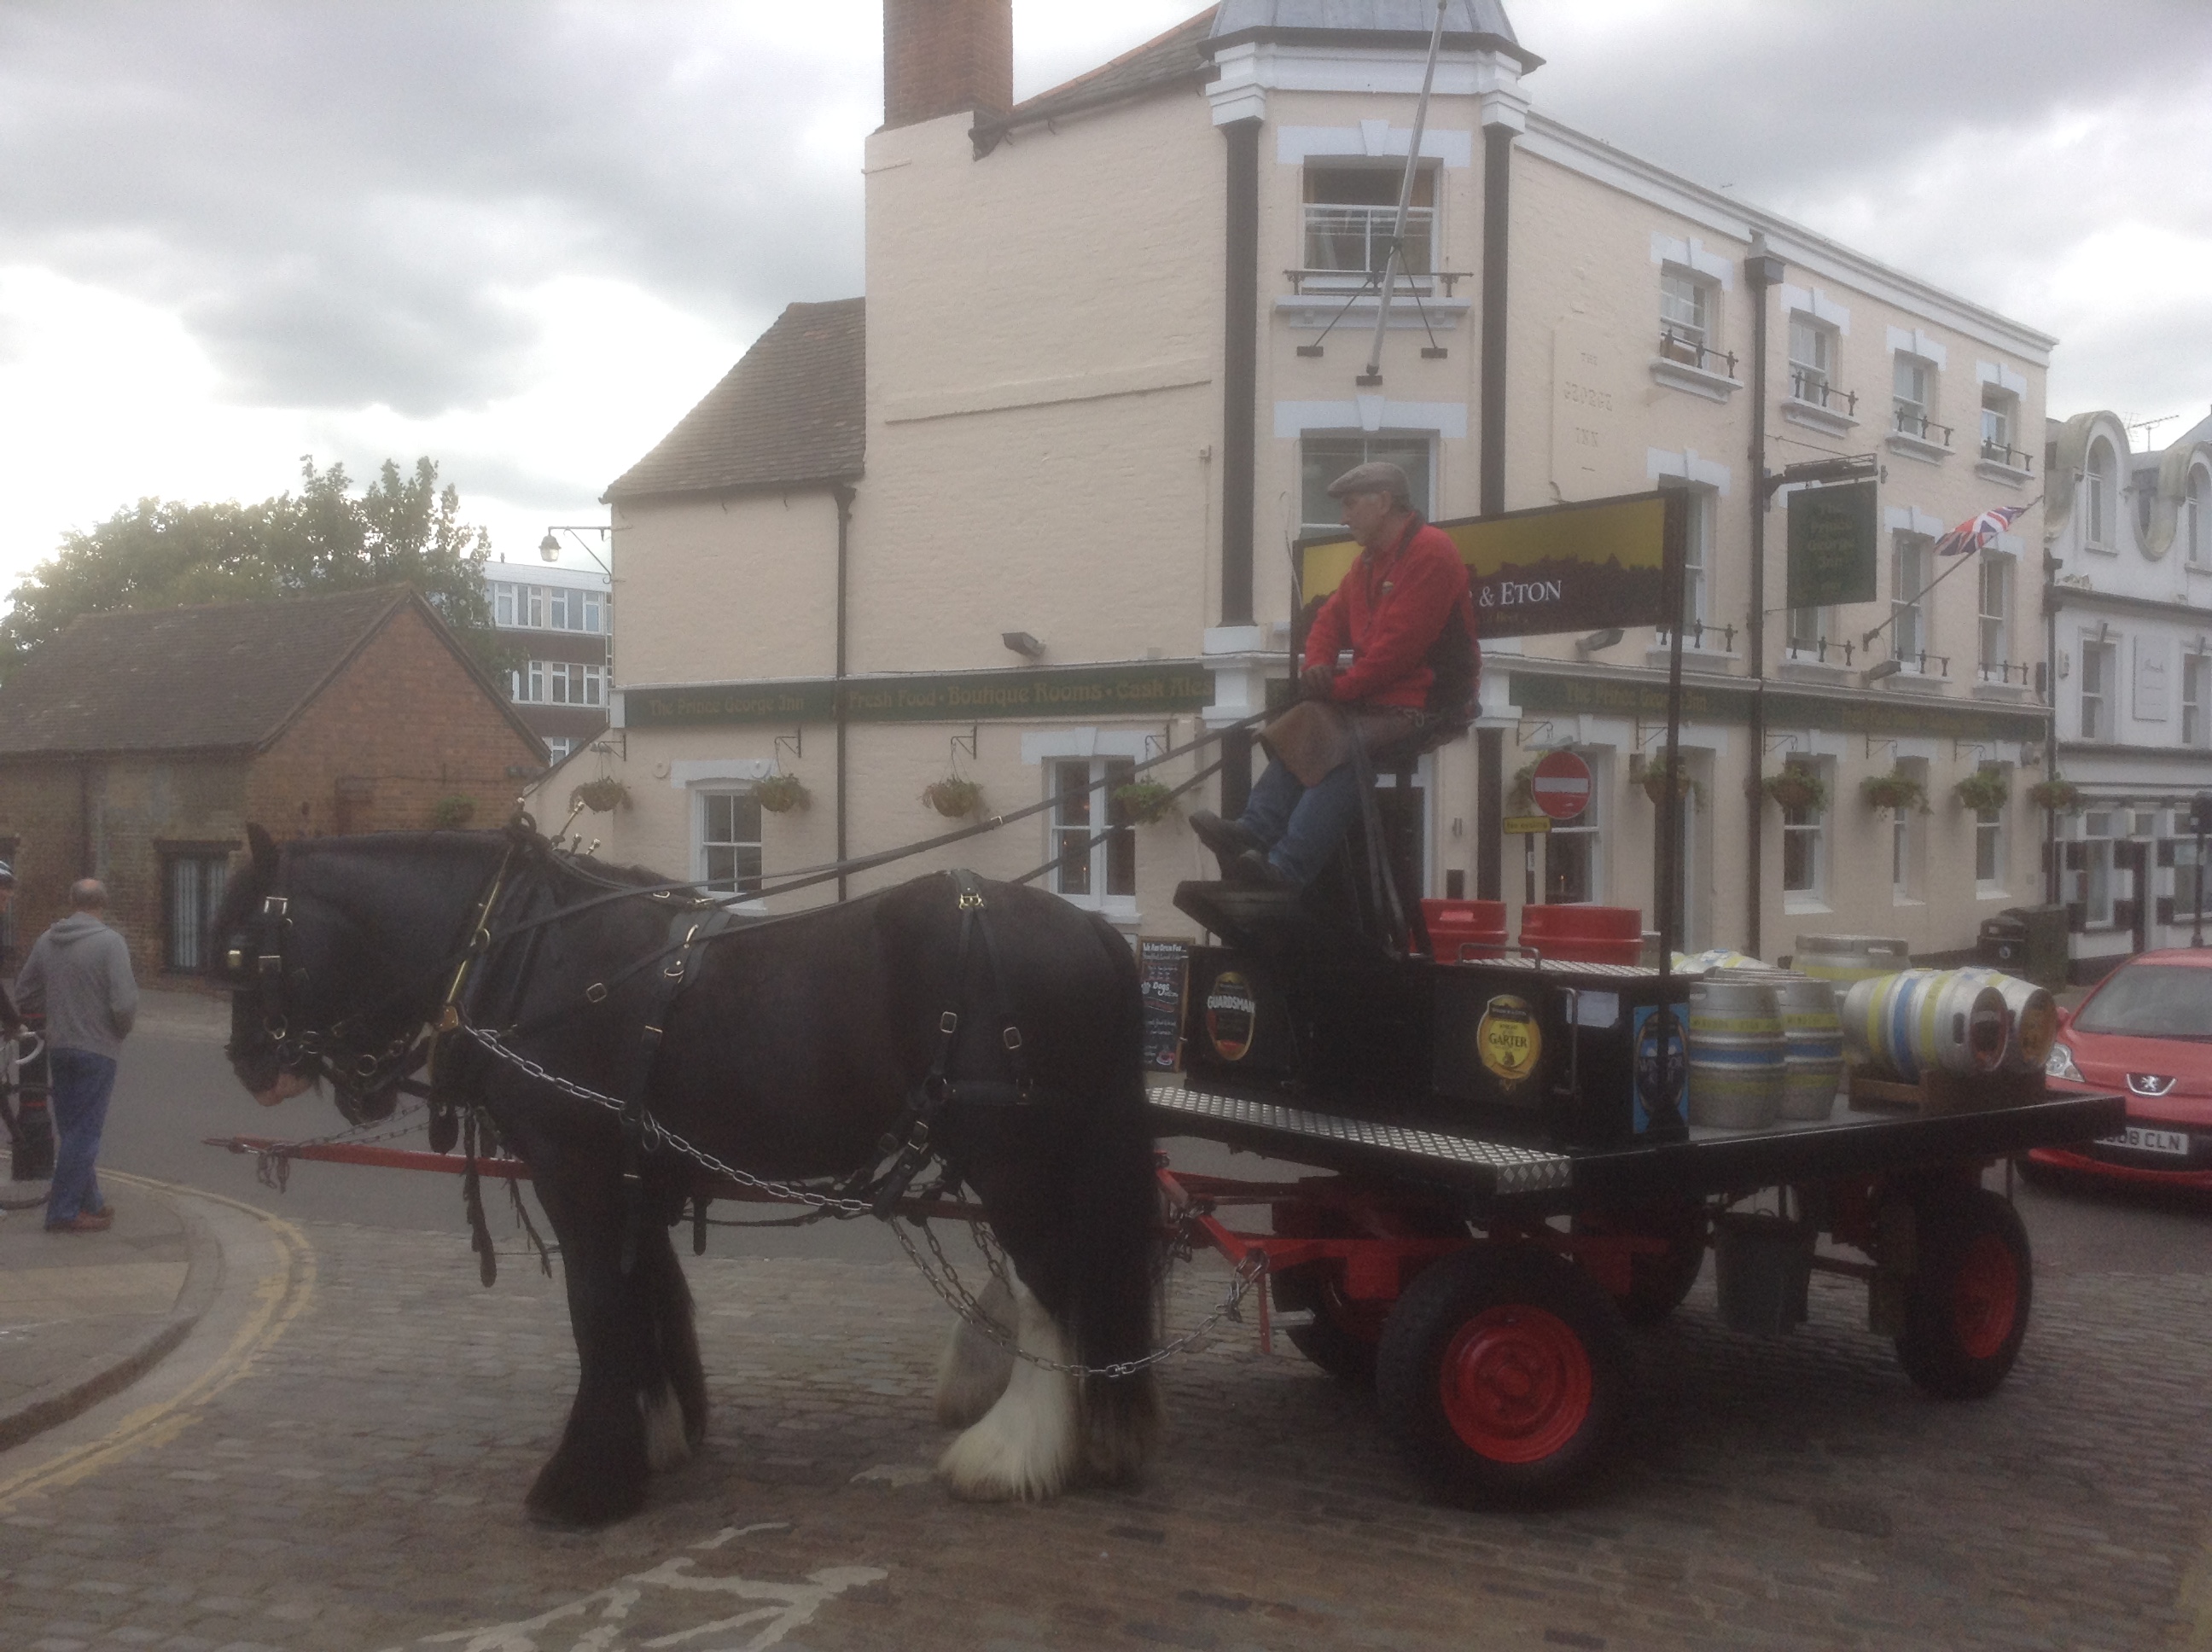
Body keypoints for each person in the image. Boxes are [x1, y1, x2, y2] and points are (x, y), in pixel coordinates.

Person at [1191, 461, 1479, 887]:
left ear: (1383, 502)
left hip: (1430, 701)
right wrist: (1318, 666)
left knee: (1347, 747)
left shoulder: (1430, 551)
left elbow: (1396, 653)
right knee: (1306, 719)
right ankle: (1254, 830)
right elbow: (1328, 619)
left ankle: (1287, 869)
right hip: (1380, 696)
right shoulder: (1368, 563)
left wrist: (1337, 690)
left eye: (1350, 504)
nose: (1343, 518)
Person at [14, 878, 138, 1233]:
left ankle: (90, 1201)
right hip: (97, 1049)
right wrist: (119, 1030)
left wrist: (57, 1010)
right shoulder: (111, 942)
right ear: (104, 903)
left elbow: (24, 992)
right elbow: (124, 1003)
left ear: (72, 901)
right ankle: (63, 1212)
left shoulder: (48, 940)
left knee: (72, 1129)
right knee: (84, 1133)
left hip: (60, 1046)